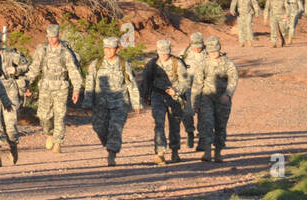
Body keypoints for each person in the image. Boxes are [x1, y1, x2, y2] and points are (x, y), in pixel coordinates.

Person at [81, 36, 142, 166]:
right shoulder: (96, 64)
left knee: (115, 128)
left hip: (120, 102)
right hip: (101, 103)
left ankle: (111, 154)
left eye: (111, 49)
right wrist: (87, 103)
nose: (108, 51)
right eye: (106, 49)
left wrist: (136, 103)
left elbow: (131, 84)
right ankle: (108, 143)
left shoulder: (124, 65)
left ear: (117, 50)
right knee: (98, 127)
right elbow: (89, 84)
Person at [23, 24, 82, 154]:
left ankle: (58, 142)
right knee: (44, 116)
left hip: (61, 87)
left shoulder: (65, 53)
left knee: (60, 116)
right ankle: (49, 133)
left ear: (58, 36)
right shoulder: (42, 51)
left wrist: (76, 89)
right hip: (45, 87)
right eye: (48, 37)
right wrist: (26, 85)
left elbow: (73, 72)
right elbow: (34, 69)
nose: (50, 39)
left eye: (53, 37)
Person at [140, 39, 189, 163]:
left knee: (174, 125)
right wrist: (144, 96)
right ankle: (160, 152)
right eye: (161, 53)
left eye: (166, 53)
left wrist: (176, 90)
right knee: (159, 123)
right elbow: (145, 81)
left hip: (174, 98)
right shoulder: (152, 64)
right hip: (158, 96)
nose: (164, 55)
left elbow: (186, 82)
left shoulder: (178, 63)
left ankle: (175, 151)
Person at [192, 35, 238, 163]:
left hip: (223, 99)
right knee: (206, 124)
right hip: (206, 98)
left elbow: (233, 79)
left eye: (215, 51)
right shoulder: (203, 64)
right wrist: (195, 103)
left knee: (220, 125)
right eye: (211, 51)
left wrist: (228, 94)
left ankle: (218, 153)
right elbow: (197, 84)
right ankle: (207, 152)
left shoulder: (227, 63)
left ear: (219, 49)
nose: (213, 54)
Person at [0, 31, 26, 165]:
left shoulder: (10, 55)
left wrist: (16, 70)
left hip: (9, 90)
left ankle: (13, 147)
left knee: (10, 126)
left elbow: (26, 65)